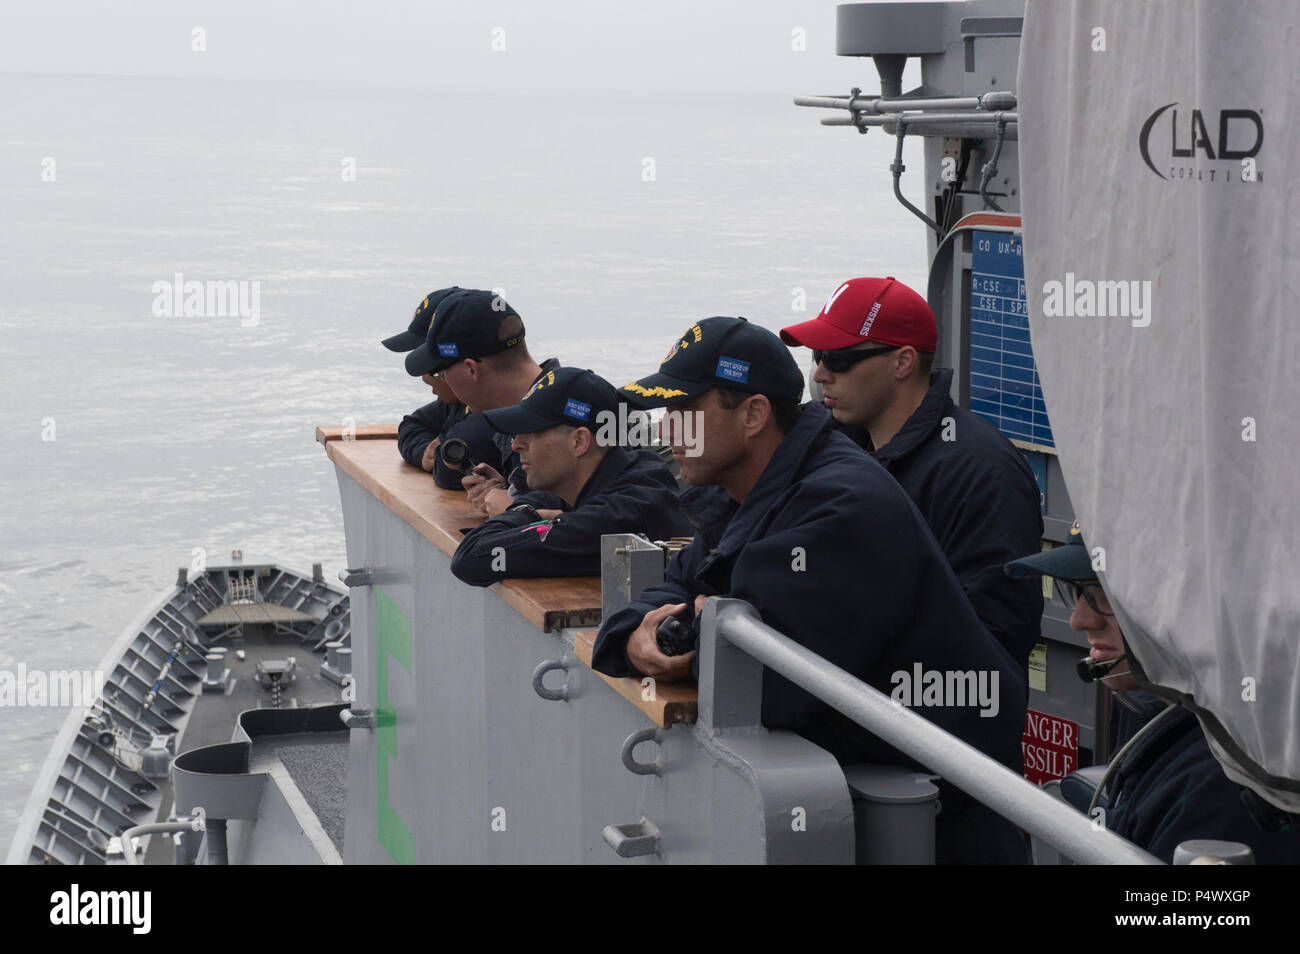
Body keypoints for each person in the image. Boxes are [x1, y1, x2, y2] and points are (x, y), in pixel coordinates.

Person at [593, 315, 1029, 864]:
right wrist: (638, 637)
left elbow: (767, 684)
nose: (666, 433)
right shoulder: (754, 489)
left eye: (685, 413)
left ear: (753, 415)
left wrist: (696, 627)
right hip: (862, 803)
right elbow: (678, 590)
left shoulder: (839, 502)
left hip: (940, 824)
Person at [781, 276, 1044, 674]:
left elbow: (996, 638)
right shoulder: (828, 444)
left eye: (838, 360)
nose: (819, 375)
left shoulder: (982, 473)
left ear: (902, 363)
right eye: (818, 355)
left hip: (922, 726)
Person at [1005, 524, 1300, 864]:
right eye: (1076, 592)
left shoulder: (1221, 787)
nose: (1078, 619)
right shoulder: (1176, 721)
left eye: (1104, 597)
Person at [450, 368, 691, 585]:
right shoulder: (597, 480)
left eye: (531, 432)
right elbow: (540, 504)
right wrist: (537, 513)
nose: (517, 445)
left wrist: (524, 512)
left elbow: (471, 557)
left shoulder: (621, 514)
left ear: (579, 442)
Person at [404, 288, 561, 515]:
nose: (441, 381)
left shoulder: (555, 427)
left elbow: (612, 517)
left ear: (471, 369)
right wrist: (509, 490)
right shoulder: (531, 411)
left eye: (441, 372)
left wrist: (518, 511)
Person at [383, 286, 504, 489]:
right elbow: (411, 426)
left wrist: (441, 451)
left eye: (434, 364)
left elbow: (447, 470)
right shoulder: (458, 400)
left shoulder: (488, 407)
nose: (426, 377)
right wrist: (425, 451)